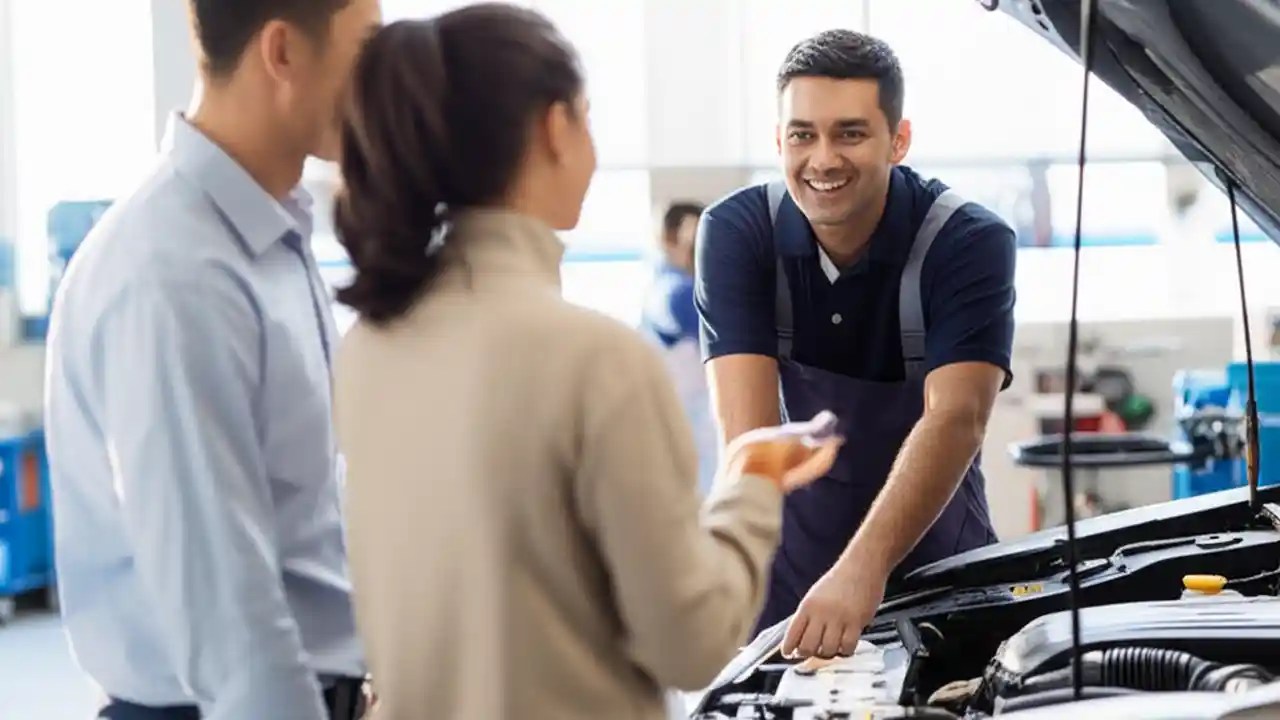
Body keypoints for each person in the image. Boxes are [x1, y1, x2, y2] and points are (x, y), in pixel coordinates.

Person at [327, 6, 841, 720]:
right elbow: (689, 643)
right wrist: (751, 486)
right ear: (553, 129)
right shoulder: (594, 359)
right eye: (588, 116)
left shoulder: (367, 349)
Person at [43, 1, 382, 718]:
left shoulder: (265, 236)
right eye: (367, 49)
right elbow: (230, 623)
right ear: (283, 53)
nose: (381, 81)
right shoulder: (173, 274)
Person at [695, 29, 1017, 659]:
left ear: (898, 140)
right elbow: (749, 438)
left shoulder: (966, 240)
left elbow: (957, 418)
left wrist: (862, 572)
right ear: (778, 140)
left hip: (941, 573)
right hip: (788, 582)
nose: (822, 159)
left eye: (849, 133)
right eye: (802, 134)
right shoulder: (738, 234)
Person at [639, 201, 719, 494]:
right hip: (682, 444)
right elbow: (696, 309)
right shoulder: (669, 292)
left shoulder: (673, 286)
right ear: (670, 238)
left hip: (699, 441)